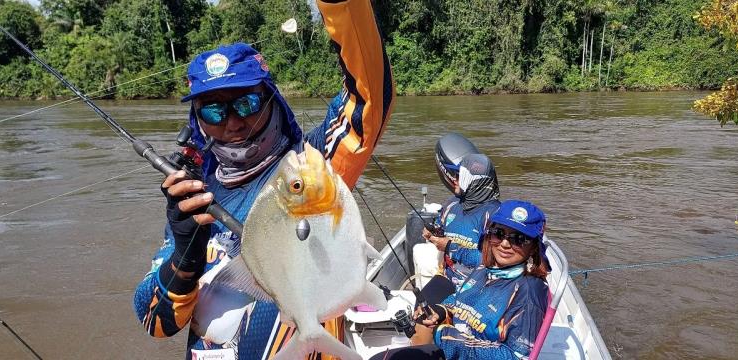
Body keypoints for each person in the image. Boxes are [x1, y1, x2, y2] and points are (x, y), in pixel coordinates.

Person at [132, 1, 394, 358]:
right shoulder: (195, 198)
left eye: (246, 104)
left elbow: (369, 96)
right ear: (197, 119)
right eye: (213, 110)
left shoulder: (311, 167)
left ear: (272, 99)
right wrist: (185, 253)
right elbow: (156, 324)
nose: (233, 122)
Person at [373, 200, 550, 360]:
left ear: (534, 247)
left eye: (519, 239)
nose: (505, 244)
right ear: (488, 235)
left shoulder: (529, 292)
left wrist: (450, 341)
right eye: (498, 233)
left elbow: (516, 356)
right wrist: (440, 311)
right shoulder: (484, 268)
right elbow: (457, 301)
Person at [423, 152, 501, 291]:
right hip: (448, 279)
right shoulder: (451, 204)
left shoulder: (495, 215)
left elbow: (493, 261)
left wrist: (450, 247)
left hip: (480, 287)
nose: (453, 179)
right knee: (421, 309)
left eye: (459, 176)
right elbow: (441, 228)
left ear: (474, 181)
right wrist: (434, 233)